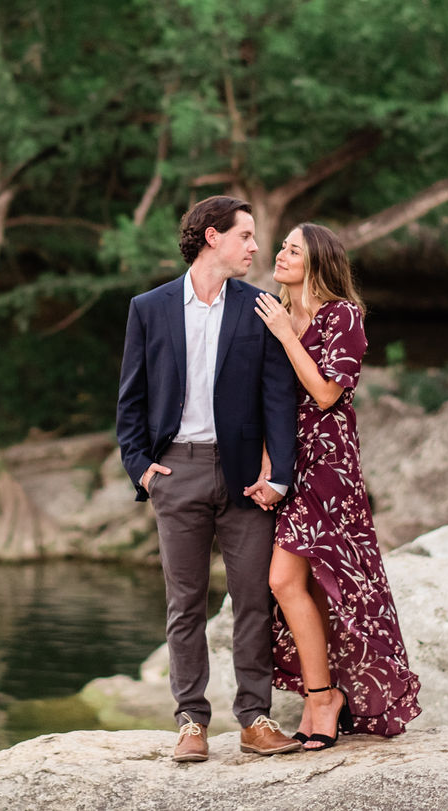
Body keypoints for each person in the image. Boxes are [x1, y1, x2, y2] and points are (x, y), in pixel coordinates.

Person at [116, 195, 304, 763]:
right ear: (211, 238)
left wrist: (282, 475)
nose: (255, 247)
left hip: (247, 477)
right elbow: (131, 399)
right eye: (245, 236)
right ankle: (192, 723)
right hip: (177, 471)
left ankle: (254, 718)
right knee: (185, 604)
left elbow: (279, 398)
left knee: (252, 600)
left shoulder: (260, 307)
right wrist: (142, 470)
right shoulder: (149, 308)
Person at [254, 222, 421, 750]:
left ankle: (323, 696)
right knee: (311, 587)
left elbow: (325, 392)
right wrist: (266, 469)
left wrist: (285, 333)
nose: (279, 254)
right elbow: (269, 401)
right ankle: (319, 696)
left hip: (329, 469)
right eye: (280, 246)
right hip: (288, 462)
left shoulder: (342, 316)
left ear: (318, 263)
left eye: (292, 249)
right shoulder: (276, 313)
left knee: (284, 580)